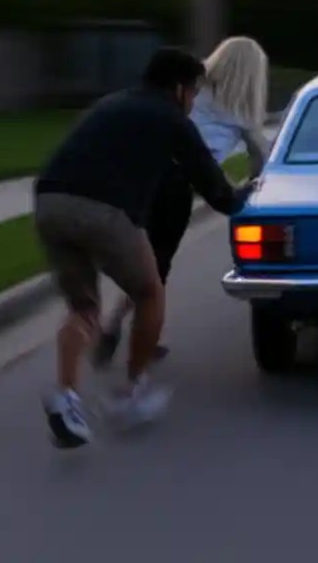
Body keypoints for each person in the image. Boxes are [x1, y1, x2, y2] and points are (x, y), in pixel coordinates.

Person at [34, 47, 254, 448]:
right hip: (103, 210)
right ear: (179, 88)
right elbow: (216, 192)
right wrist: (244, 195)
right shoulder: (172, 119)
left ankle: (65, 396)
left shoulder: (111, 103)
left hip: (50, 202)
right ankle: (132, 393)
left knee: (83, 309)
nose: (192, 101)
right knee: (150, 291)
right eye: (193, 92)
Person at [91, 36, 272, 367]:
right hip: (176, 186)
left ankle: (120, 323)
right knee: (157, 265)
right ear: (252, 74)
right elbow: (262, 158)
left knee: (137, 253)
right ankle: (128, 330)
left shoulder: (191, 89)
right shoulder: (240, 110)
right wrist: (250, 185)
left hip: (141, 175)